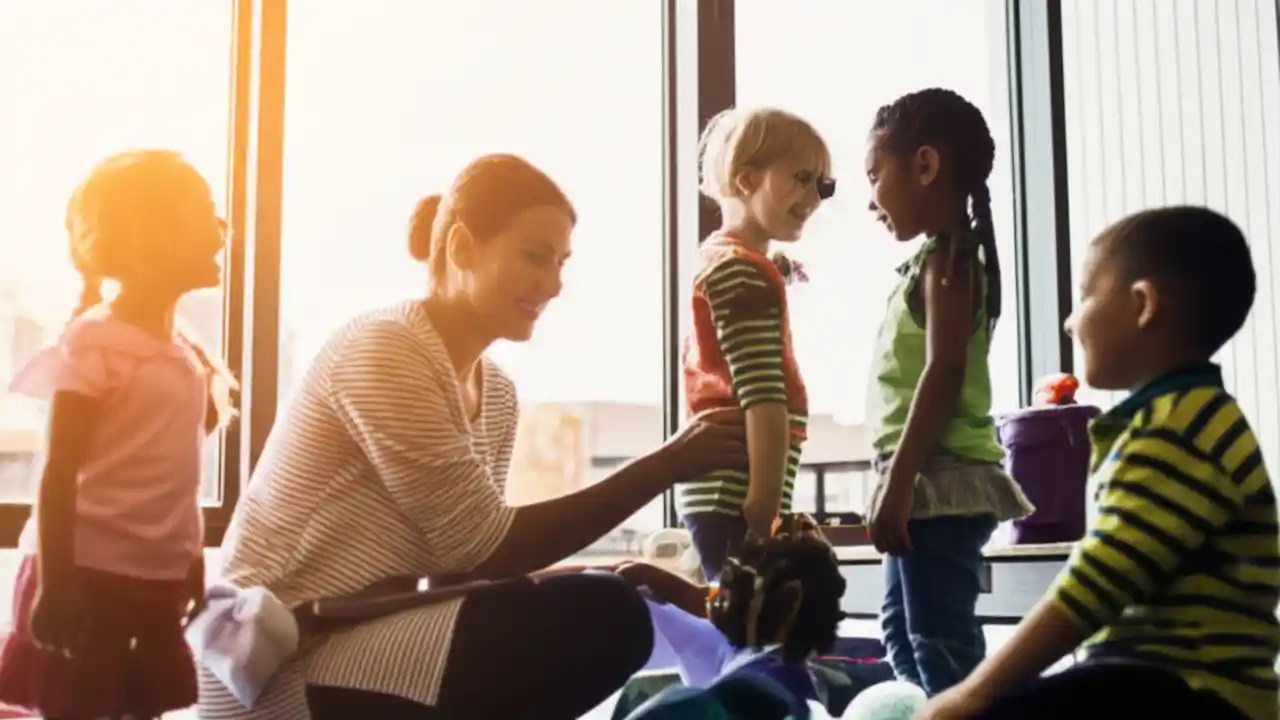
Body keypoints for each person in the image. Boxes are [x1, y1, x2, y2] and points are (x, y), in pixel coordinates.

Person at [195, 153, 748, 719]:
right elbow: (484, 543)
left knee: (617, 603)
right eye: (536, 257)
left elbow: (472, 568)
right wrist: (666, 465)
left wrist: (621, 572)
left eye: (561, 262)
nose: (554, 284)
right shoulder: (385, 349)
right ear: (460, 248)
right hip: (280, 663)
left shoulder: (498, 395)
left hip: (367, 633)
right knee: (609, 616)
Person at [920, 207, 1279, 720]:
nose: (1070, 320)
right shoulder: (1175, 420)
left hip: (1194, 695)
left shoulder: (1182, 428)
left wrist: (974, 692)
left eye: (1085, 295)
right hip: (1156, 681)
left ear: (1142, 305)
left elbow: (1097, 584)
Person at [0, 150, 235, 718]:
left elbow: (173, 475)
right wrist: (56, 585)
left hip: (152, 580)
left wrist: (189, 558)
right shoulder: (95, 342)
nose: (219, 230)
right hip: (85, 577)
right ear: (147, 236)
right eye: (203, 214)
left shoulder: (182, 352)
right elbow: (57, 472)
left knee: (141, 707)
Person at [862, 88, 1034, 695]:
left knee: (939, 641)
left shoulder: (951, 263)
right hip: (918, 477)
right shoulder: (933, 263)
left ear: (925, 166)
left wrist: (900, 482)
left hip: (939, 480)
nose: (870, 199)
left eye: (875, 174)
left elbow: (943, 373)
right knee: (904, 636)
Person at [680, 106, 835, 583]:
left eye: (823, 186)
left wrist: (781, 272)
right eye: (803, 179)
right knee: (751, 633)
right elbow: (763, 395)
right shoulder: (742, 273)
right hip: (737, 494)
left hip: (721, 495)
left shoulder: (726, 260)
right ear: (746, 180)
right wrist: (763, 506)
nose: (814, 198)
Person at [615, 513, 856, 717]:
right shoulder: (787, 672)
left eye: (746, 579)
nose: (721, 591)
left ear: (790, 597)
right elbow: (689, 595)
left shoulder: (750, 688)